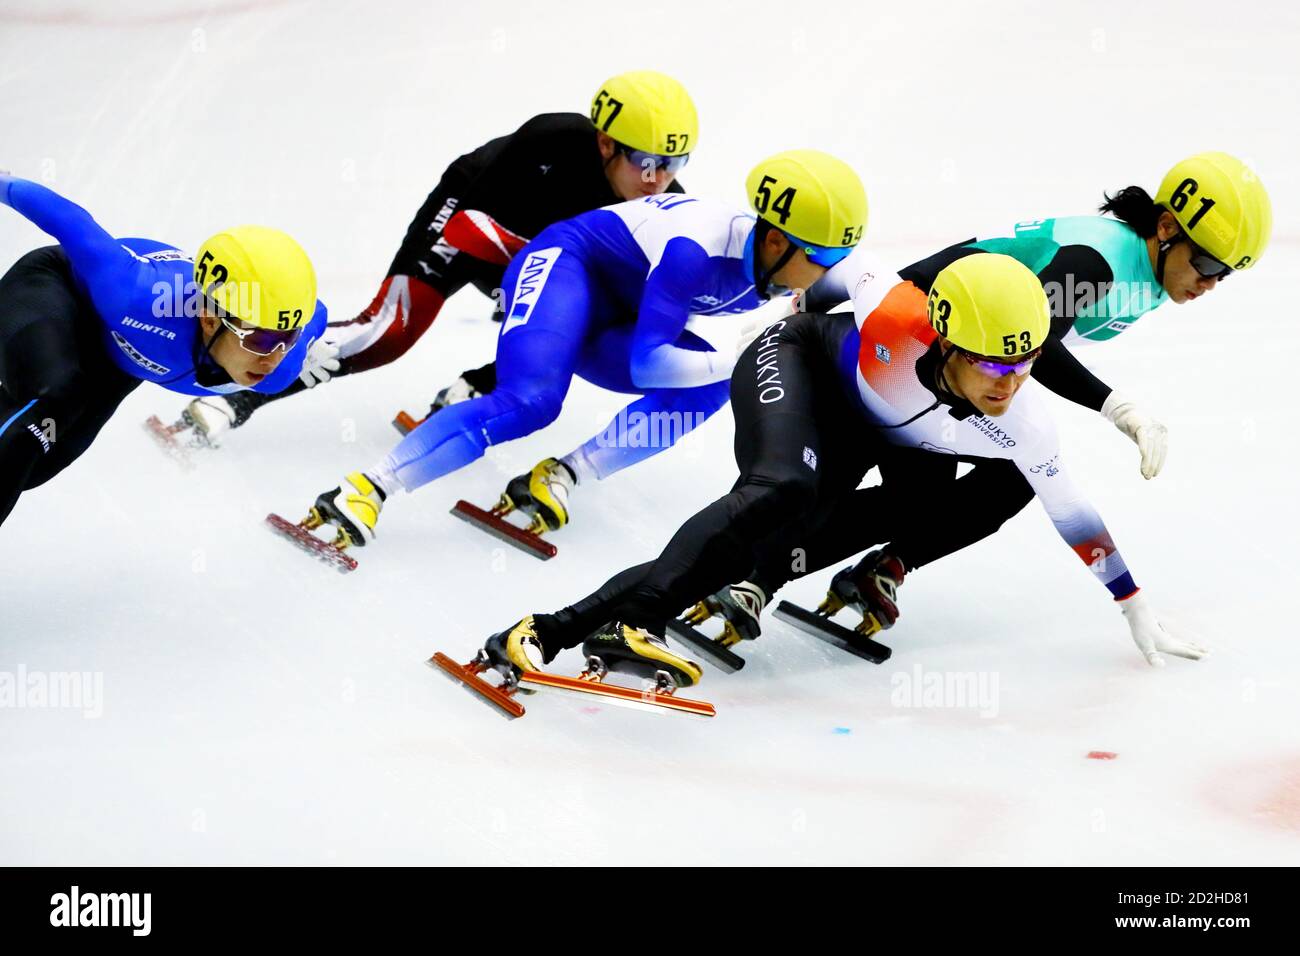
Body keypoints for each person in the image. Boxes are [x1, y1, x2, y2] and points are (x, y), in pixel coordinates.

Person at [476, 252, 1206, 691]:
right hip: (799, 367)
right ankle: (633, 621)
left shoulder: (1023, 418)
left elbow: (1072, 512)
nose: (1007, 382)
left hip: (877, 426)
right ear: (943, 337)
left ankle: (545, 632)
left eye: (1024, 364)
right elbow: (838, 275)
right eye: (990, 362)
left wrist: (1131, 602)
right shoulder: (896, 310)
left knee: (870, 519)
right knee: (778, 494)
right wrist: (794, 304)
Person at [730, 151, 1274, 641]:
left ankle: (884, 567)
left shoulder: (1146, 268)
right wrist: (1115, 406)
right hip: (912, 350)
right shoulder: (1096, 265)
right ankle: (754, 577)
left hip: (961, 367)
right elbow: (1030, 342)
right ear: (1165, 226)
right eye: (1206, 265)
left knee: (1004, 481)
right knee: (903, 484)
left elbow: (1027, 350)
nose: (1209, 284)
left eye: (1223, 275)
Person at [279, 149, 869, 555]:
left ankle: (561, 475)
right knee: (531, 402)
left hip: (614, 313)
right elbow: (647, 363)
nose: (823, 276)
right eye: (821, 259)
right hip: (564, 267)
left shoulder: (780, 267)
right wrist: (734, 355)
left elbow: (874, 287)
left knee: (713, 386)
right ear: (774, 239)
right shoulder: (697, 250)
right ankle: (367, 488)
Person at [177, 70, 698, 445]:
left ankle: (474, 384)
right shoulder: (551, 138)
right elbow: (470, 232)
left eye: (675, 163)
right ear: (606, 143)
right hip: (472, 216)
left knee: (598, 312)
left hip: (529, 251)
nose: (658, 178)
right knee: (388, 333)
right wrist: (528, 281)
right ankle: (238, 396)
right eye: (646, 161)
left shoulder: (663, 204)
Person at [0, 174, 324, 527]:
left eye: (287, 338)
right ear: (210, 319)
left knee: (36, 462)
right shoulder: (140, 294)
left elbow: (318, 314)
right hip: (55, 290)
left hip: (114, 362)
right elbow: (67, 219)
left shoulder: (279, 369)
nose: (273, 357)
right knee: (55, 401)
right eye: (259, 340)